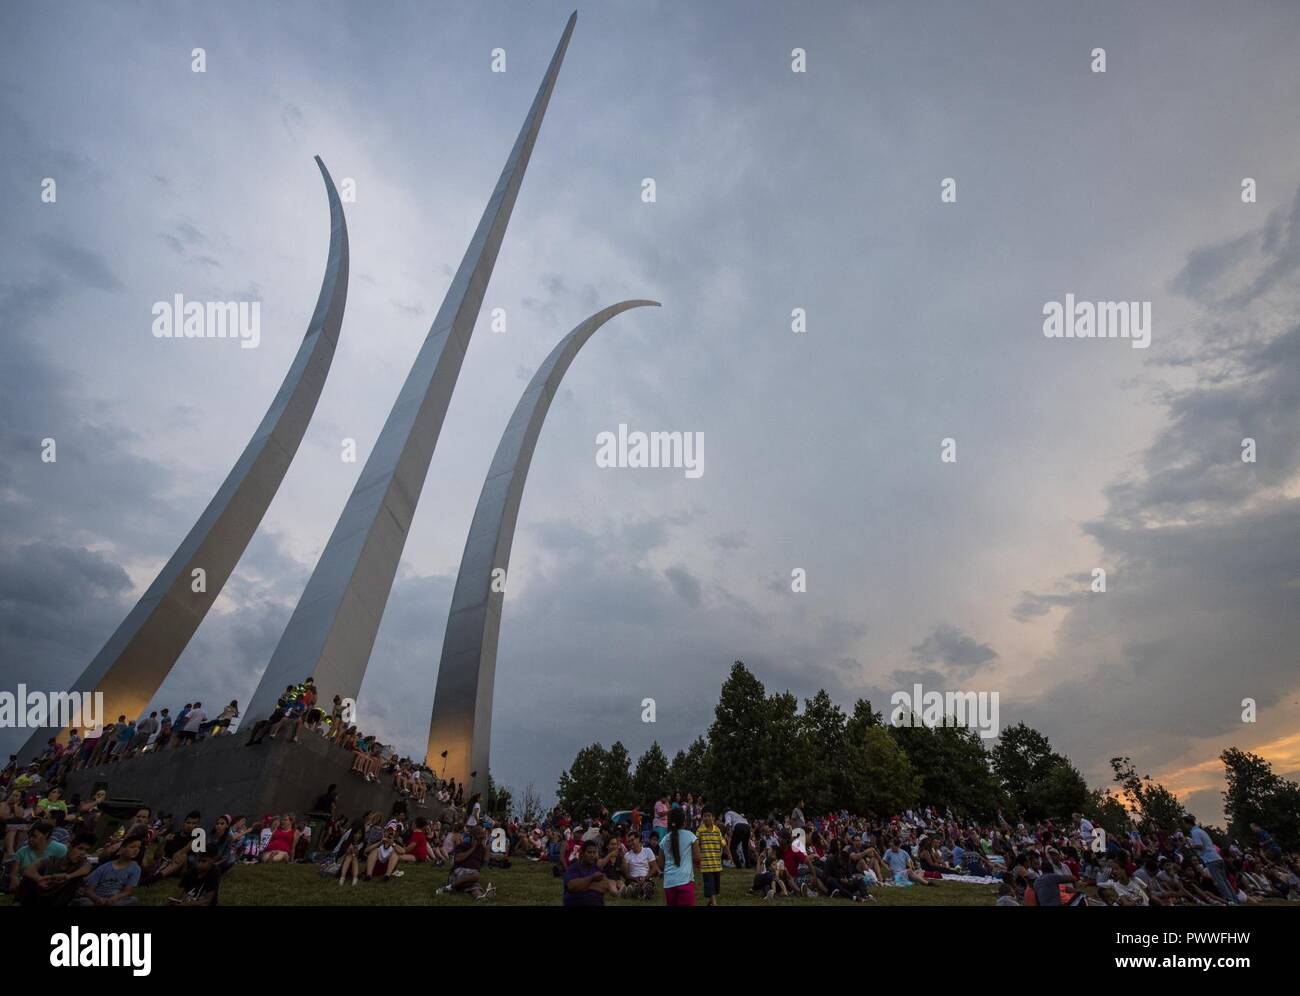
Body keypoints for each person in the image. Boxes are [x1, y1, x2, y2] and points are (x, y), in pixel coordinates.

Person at [19, 831, 94, 906]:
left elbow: (90, 865)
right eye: (80, 848)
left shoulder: (83, 863)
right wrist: (39, 878)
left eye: (86, 850)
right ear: (70, 847)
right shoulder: (52, 860)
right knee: (28, 880)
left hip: (62, 900)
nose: (83, 853)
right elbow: (28, 869)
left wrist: (68, 876)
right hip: (41, 897)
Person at [74, 835, 142, 906]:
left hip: (115, 900)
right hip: (97, 898)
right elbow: (89, 890)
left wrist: (115, 898)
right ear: (121, 849)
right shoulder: (104, 865)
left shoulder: (135, 868)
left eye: (139, 848)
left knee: (133, 900)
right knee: (83, 902)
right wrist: (98, 899)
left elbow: (127, 891)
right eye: (132, 847)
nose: (136, 850)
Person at [1184, 814, 1236, 904]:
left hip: (1210, 859)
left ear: (1188, 824)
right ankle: (1234, 899)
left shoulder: (1194, 832)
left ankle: (1230, 900)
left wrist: (1191, 846)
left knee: (1220, 881)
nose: (1185, 826)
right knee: (1225, 880)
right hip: (1217, 857)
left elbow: (1200, 845)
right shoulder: (1201, 831)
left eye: (1184, 824)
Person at [656, 807, 700, 906]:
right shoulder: (690, 836)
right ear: (684, 822)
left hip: (669, 884)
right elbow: (698, 858)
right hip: (685, 882)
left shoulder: (664, 840)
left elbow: (661, 865)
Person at [439, 826, 495, 901]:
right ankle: (450, 887)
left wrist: (487, 851)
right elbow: (458, 859)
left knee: (475, 886)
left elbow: (485, 864)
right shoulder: (463, 845)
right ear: (473, 837)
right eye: (479, 838)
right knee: (476, 876)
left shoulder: (482, 849)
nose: (481, 840)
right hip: (458, 873)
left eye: (483, 837)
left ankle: (479, 897)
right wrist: (472, 848)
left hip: (469, 876)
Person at [563, 839, 620, 905]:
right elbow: (571, 886)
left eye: (594, 852)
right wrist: (591, 878)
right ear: (582, 853)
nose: (592, 855)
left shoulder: (596, 869)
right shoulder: (574, 867)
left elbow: (604, 887)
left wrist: (582, 886)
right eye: (589, 852)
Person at [696, 809, 728, 905]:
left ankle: (710, 902)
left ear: (713, 818)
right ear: (702, 818)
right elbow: (696, 845)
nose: (707, 818)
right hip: (706, 866)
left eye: (709, 816)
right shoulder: (700, 831)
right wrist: (696, 859)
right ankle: (714, 904)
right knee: (710, 886)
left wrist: (730, 856)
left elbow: (724, 844)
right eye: (705, 816)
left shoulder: (717, 830)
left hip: (716, 865)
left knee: (716, 888)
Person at [622, 832, 657, 899]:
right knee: (634, 885)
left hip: (646, 878)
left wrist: (645, 877)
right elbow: (626, 874)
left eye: (632, 840)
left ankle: (644, 891)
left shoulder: (648, 851)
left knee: (647, 885)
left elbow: (654, 867)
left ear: (638, 839)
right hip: (633, 879)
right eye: (629, 841)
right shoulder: (627, 855)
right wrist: (635, 878)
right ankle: (638, 891)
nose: (630, 843)